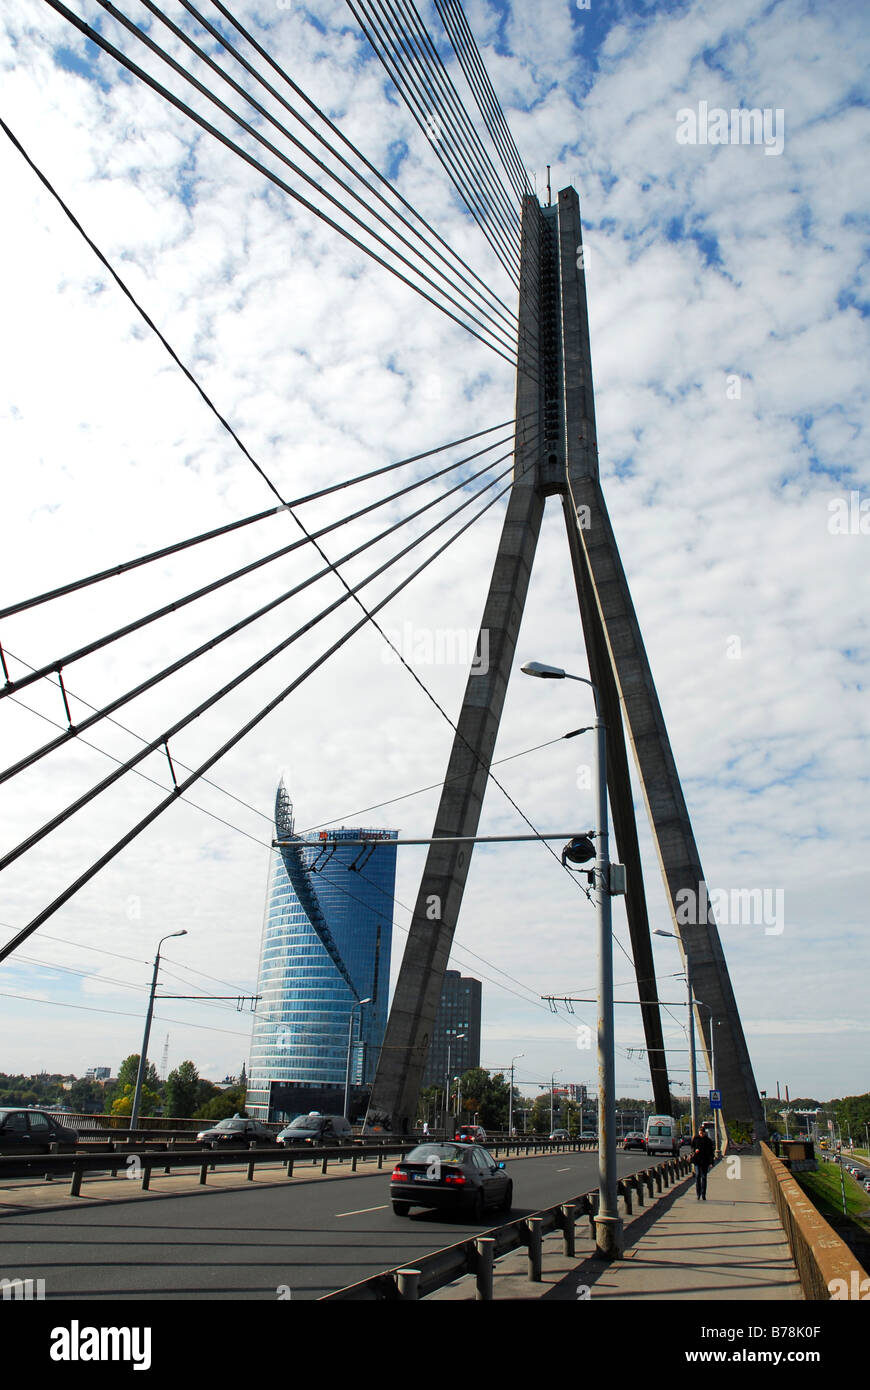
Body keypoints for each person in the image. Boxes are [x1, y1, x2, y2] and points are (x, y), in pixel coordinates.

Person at [692, 1127, 715, 1200]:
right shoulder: (696, 1139)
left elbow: (711, 1152)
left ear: (704, 1133)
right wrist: (695, 1150)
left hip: (705, 1161)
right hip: (697, 1160)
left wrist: (711, 1162)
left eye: (702, 1133)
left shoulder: (708, 1141)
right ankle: (698, 1194)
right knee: (698, 1175)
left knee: (704, 1177)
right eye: (700, 1133)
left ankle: (703, 1194)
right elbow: (692, 1147)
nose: (701, 1134)